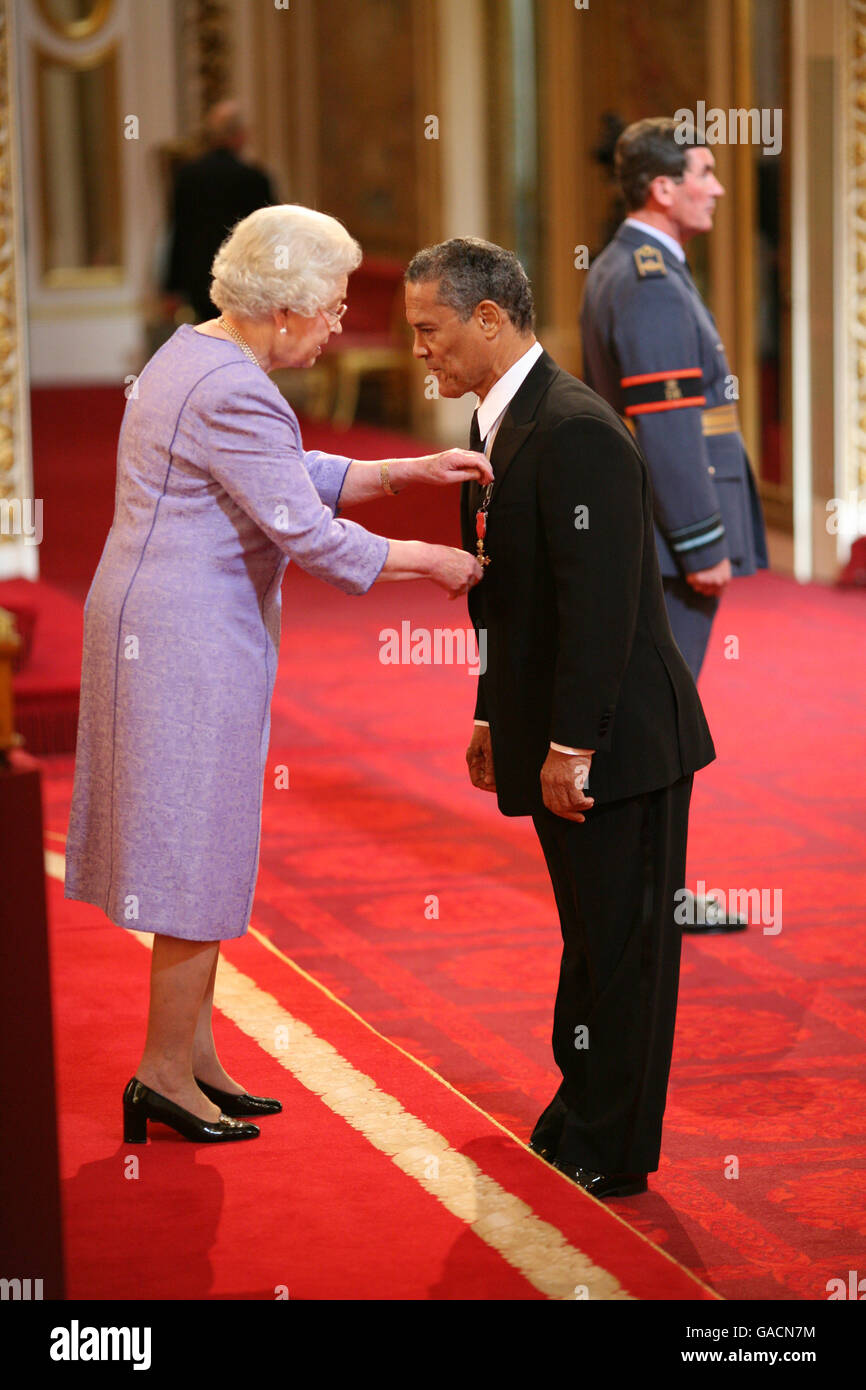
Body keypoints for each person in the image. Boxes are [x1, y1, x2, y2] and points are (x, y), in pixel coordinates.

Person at [64, 205, 490, 1145]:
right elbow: (305, 531)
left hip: (165, 622)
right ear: (286, 309)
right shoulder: (236, 389)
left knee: (203, 842)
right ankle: (164, 1073)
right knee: (191, 853)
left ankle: (196, 1058)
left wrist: (408, 468)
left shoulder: (197, 355)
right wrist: (435, 560)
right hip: (183, 637)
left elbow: (280, 471)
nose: (341, 323)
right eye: (332, 307)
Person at [404, 238, 715, 1198]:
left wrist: (571, 744)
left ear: (489, 319)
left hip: (622, 742)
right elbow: (504, 600)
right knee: (589, 938)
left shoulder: (576, 428)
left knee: (624, 951)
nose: (421, 350)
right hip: (554, 730)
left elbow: (600, 609)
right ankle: (580, 1108)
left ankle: (613, 1146)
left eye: (430, 329)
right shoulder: (495, 422)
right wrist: (494, 714)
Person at [580, 116, 768, 933]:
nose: (718, 188)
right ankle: (655, 894)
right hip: (669, 536)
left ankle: (647, 887)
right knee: (663, 723)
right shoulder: (651, 277)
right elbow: (666, 424)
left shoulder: (633, 263)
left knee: (654, 716)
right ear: (663, 188)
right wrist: (701, 542)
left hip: (652, 529)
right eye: (704, 173)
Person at [163, 100, 276, 323]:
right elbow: (268, 236)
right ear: (240, 135)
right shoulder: (254, 178)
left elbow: (178, 232)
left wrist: (171, 287)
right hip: (243, 280)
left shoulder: (188, 176)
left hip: (199, 281)